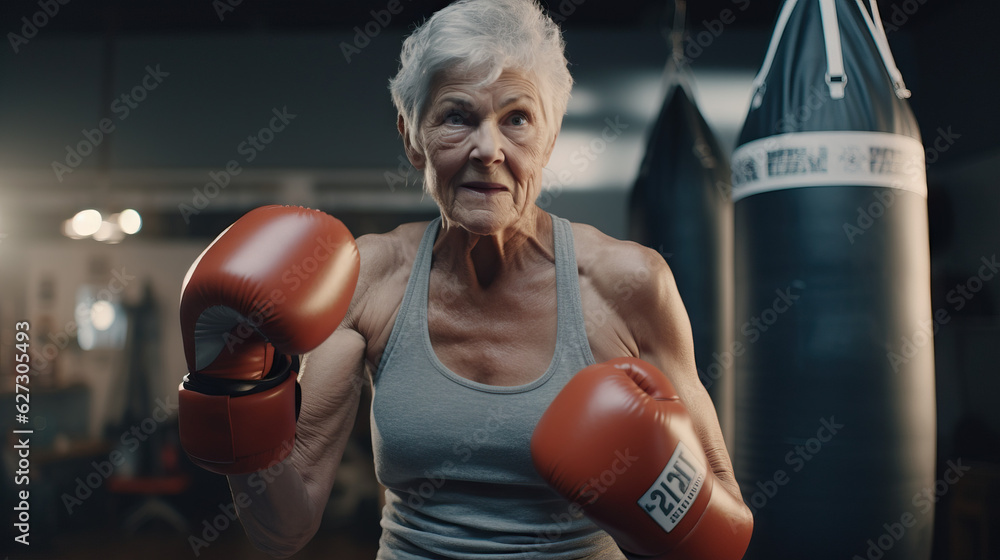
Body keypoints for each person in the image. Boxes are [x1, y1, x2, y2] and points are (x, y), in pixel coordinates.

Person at [177, 0, 752, 558]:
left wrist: (665, 505)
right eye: (457, 115)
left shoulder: (628, 284)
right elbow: (286, 528)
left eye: (517, 119)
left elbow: (722, 515)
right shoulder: (368, 277)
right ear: (412, 138)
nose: (488, 149)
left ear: (549, 140)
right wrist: (233, 384)